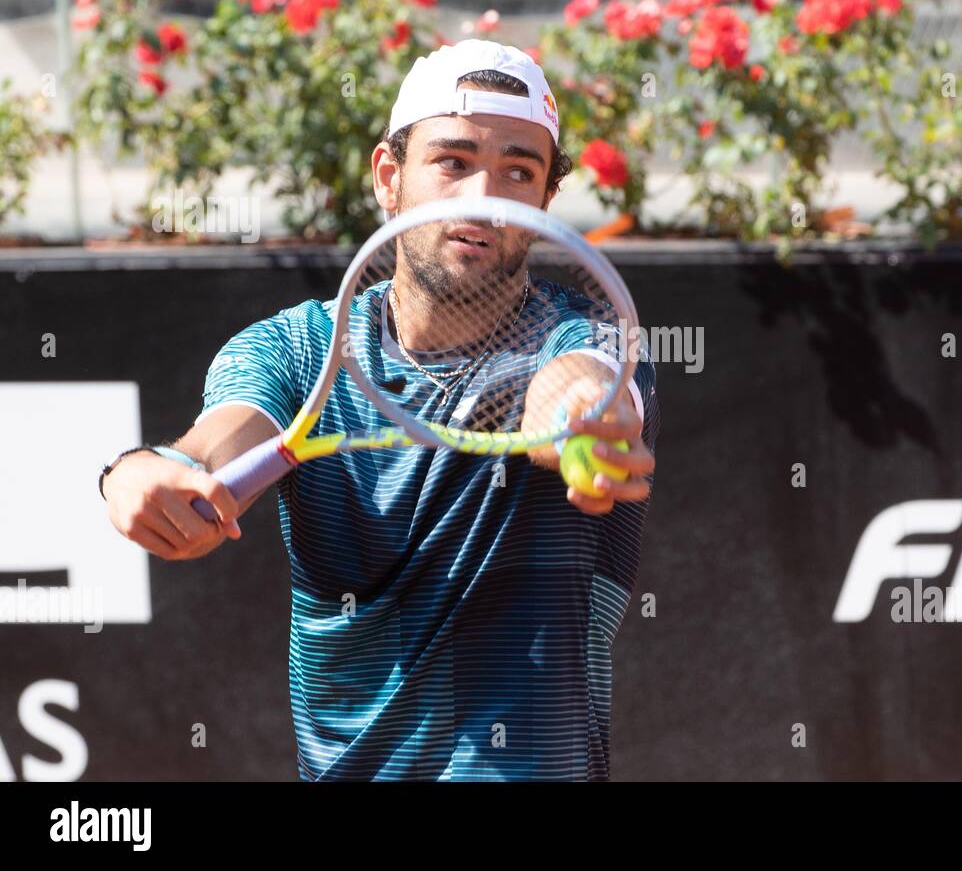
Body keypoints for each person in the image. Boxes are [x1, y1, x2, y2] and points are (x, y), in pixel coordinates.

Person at [100, 40, 660, 780]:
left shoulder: (590, 336)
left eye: (518, 171)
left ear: (546, 201)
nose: (481, 197)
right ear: (389, 178)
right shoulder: (293, 351)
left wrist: (582, 421)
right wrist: (142, 474)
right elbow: (213, 447)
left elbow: (579, 387)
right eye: (453, 162)